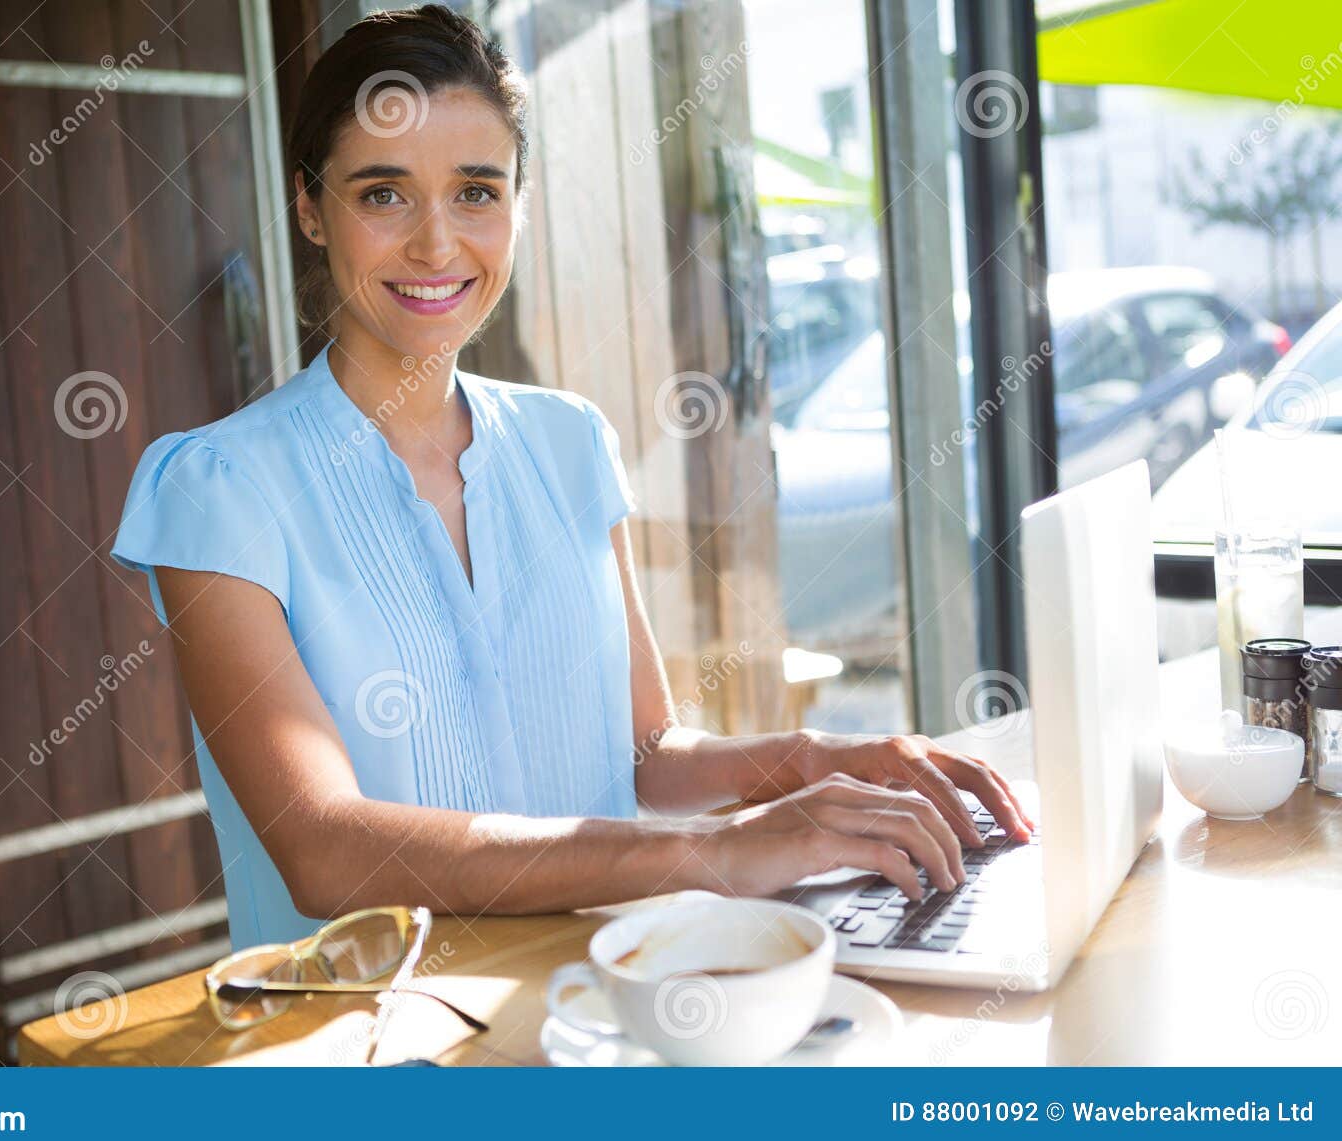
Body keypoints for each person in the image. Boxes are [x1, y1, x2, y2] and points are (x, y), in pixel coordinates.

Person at [112, 4, 1032, 949]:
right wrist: (716, 853)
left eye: (476, 191)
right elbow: (325, 850)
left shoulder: (569, 442)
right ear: (311, 208)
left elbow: (645, 753)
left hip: (603, 998)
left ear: (517, 200)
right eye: (383, 194)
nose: (436, 244)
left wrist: (814, 759)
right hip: (378, 1047)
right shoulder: (217, 490)